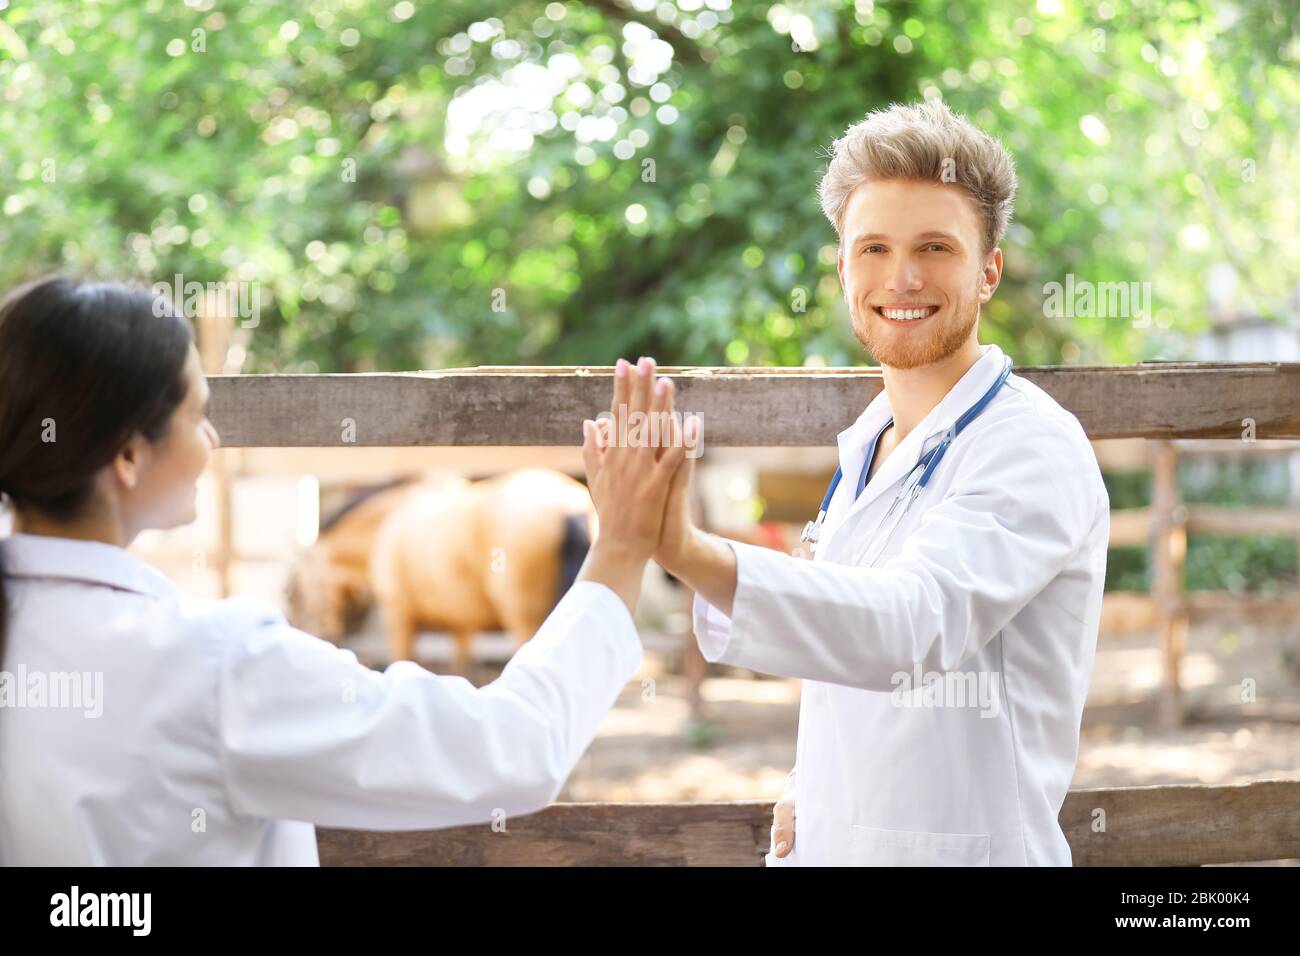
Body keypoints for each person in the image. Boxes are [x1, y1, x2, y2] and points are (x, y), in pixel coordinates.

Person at [0, 275, 684, 865]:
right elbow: (510, 749)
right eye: (198, 416)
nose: (211, 440)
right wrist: (620, 545)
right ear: (128, 457)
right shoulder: (213, 665)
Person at [619, 101, 1111, 865]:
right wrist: (810, 787)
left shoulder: (1032, 448)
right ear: (843, 269)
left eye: (936, 247)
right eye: (873, 247)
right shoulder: (870, 441)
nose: (902, 277)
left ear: (989, 272)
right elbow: (848, 653)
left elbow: (907, 629)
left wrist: (682, 547)